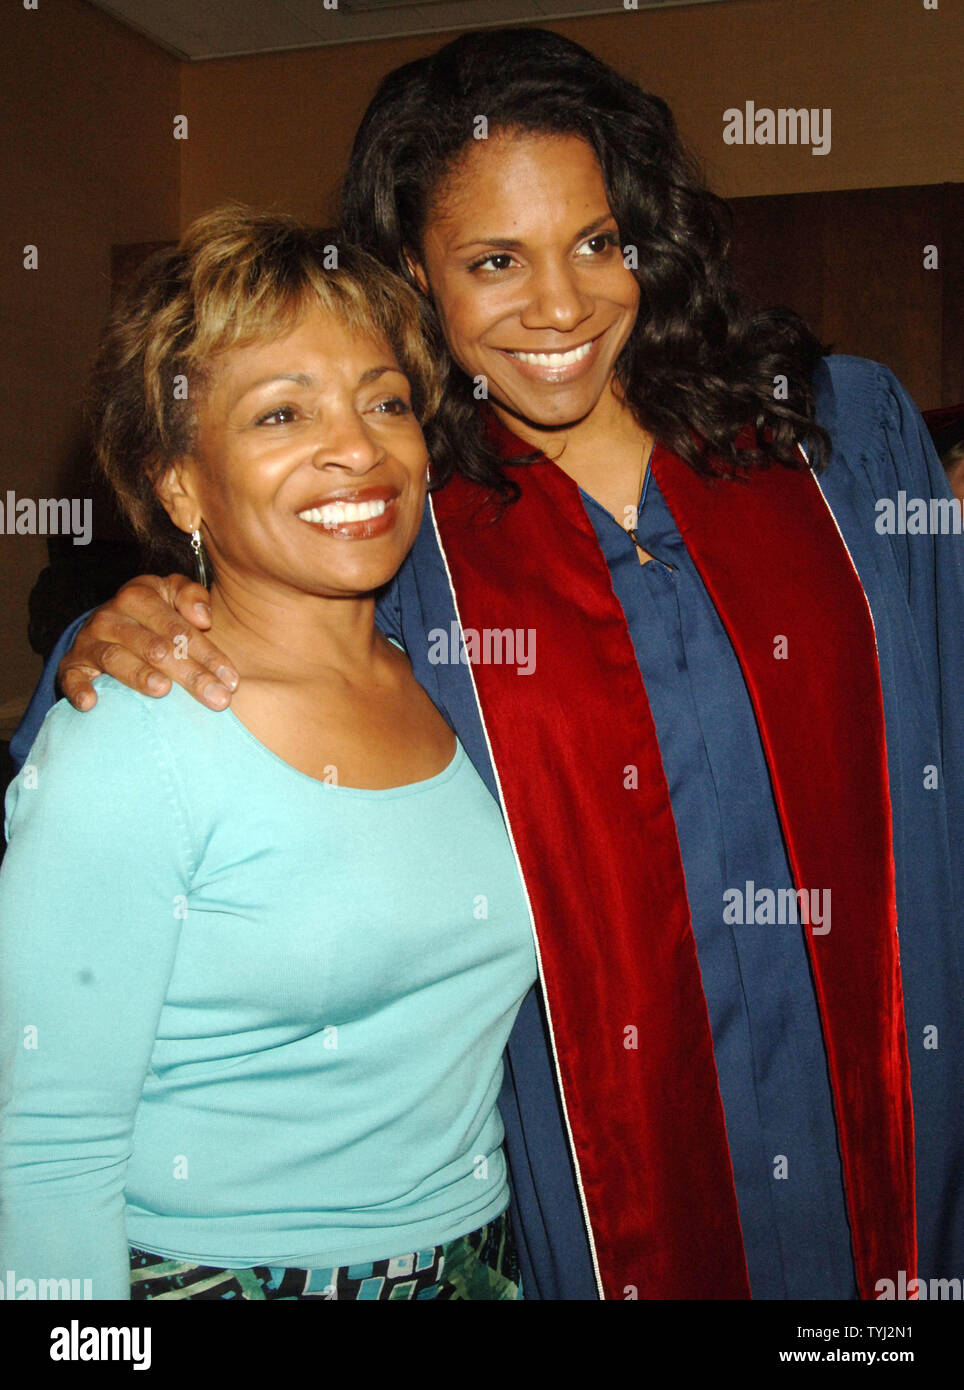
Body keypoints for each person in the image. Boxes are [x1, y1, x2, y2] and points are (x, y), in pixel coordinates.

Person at [11, 29, 964, 1301]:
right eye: (494, 260)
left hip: (897, 1130)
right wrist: (110, 632)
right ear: (417, 275)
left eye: (596, 241)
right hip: (595, 1193)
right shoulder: (409, 533)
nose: (558, 307)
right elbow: (181, 734)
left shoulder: (834, 443)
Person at [0, 207, 538, 1301]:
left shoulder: (468, 691)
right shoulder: (132, 732)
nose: (358, 448)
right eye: (282, 412)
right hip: (216, 1275)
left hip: (481, 1260)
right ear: (182, 485)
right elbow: (45, 1147)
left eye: (385, 401)